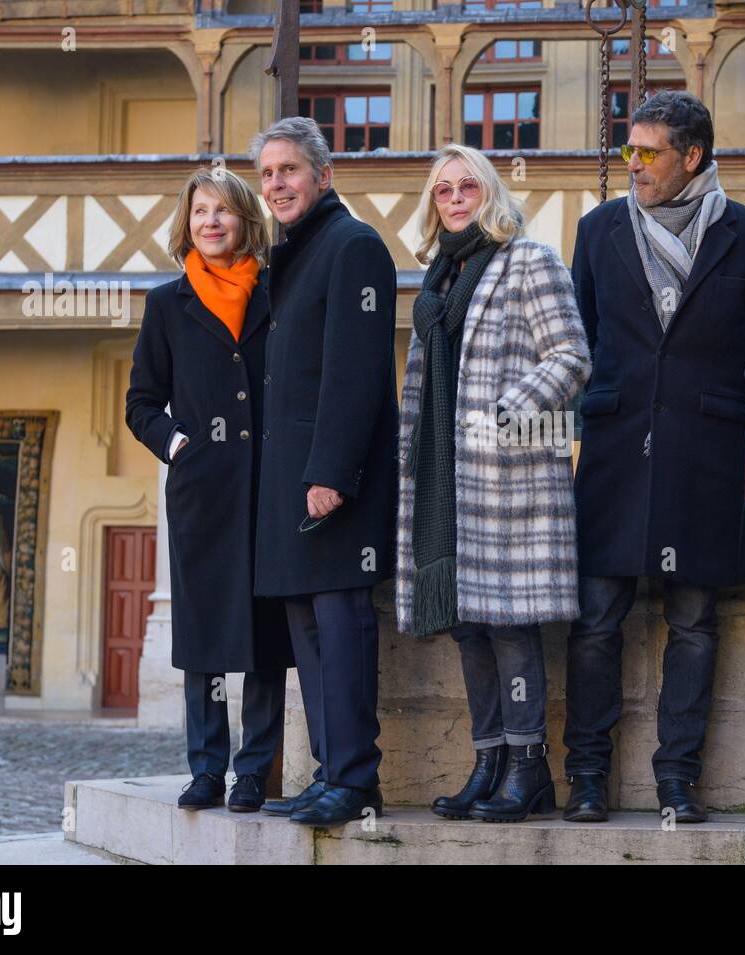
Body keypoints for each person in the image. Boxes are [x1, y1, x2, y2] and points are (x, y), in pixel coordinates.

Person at [564, 91, 745, 823]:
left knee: (694, 624)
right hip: (615, 452)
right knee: (595, 621)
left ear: (692, 157)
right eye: (629, 149)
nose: (634, 164)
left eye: (648, 152)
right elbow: (585, 341)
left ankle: (677, 781)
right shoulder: (597, 232)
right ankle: (587, 776)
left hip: (704, 454)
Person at [396, 144, 590, 822]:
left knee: (509, 623)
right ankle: (489, 758)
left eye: (467, 186)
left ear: (490, 194)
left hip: (506, 472)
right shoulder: (439, 279)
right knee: (465, 623)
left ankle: (528, 767)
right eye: (443, 189)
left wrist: (510, 414)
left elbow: (571, 354)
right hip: (443, 472)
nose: (454, 198)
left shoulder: (528, 261)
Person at [126, 167, 293, 812]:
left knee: (263, 636)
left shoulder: (275, 294)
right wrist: (178, 446)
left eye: (224, 210)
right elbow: (142, 401)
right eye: (200, 212)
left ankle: (252, 772)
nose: (212, 221)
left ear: (244, 218)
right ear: (186, 222)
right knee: (203, 636)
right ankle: (205, 767)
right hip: (201, 496)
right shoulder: (168, 304)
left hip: (267, 491)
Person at [251, 117, 399, 828]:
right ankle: (330, 771)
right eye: (268, 174)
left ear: (324, 175)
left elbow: (357, 369)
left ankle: (357, 778)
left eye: (290, 170)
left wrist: (332, 472)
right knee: (307, 626)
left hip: (335, 479)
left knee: (341, 626)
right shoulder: (297, 252)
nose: (277, 184)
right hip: (292, 480)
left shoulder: (354, 245)